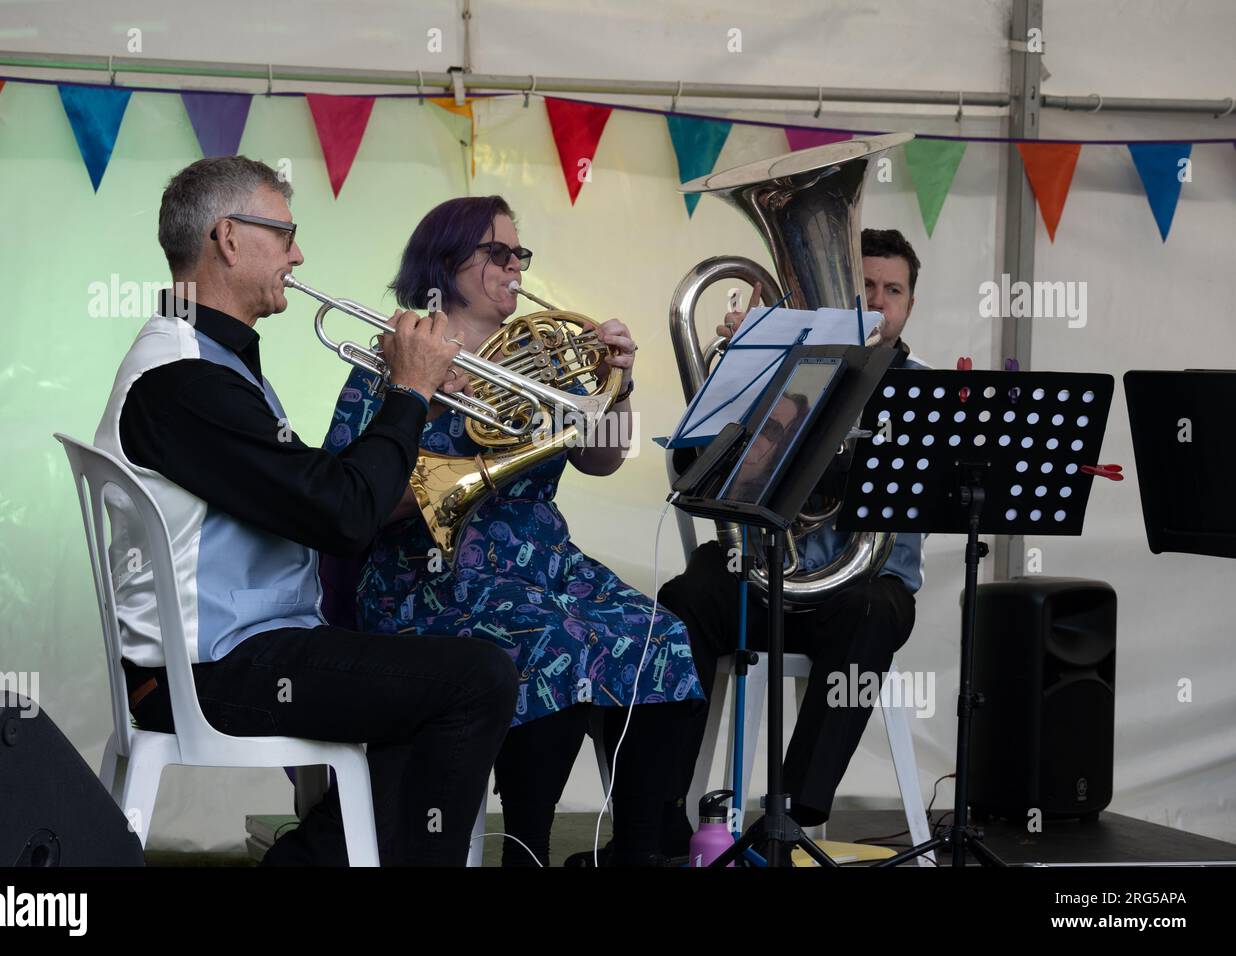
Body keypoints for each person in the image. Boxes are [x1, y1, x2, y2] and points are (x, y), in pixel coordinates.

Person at [94, 156, 518, 866]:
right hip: (213, 670)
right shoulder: (183, 381)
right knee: (475, 680)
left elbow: (318, 490)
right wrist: (410, 393)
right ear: (228, 238)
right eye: (284, 234)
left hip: (232, 654)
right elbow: (345, 518)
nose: (299, 255)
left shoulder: (205, 363)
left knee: (432, 686)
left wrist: (412, 398)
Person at [320, 195, 703, 866]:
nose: (513, 268)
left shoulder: (547, 354)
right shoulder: (393, 358)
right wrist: (439, 416)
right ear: (444, 262)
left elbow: (603, 459)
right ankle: (527, 849)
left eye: (518, 254)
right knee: (548, 640)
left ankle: (640, 850)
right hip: (428, 574)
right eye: (496, 253)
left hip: (543, 562)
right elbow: (350, 495)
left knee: (660, 638)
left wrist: (621, 383)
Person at [658, 227, 928, 845]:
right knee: (687, 597)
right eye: (863, 286)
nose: (879, 301)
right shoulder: (784, 367)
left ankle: (791, 818)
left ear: (911, 305)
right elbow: (690, 473)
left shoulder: (921, 392)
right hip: (761, 581)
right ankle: (658, 818)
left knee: (876, 611)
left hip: (856, 592)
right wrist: (742, 374)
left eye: (894, 290)